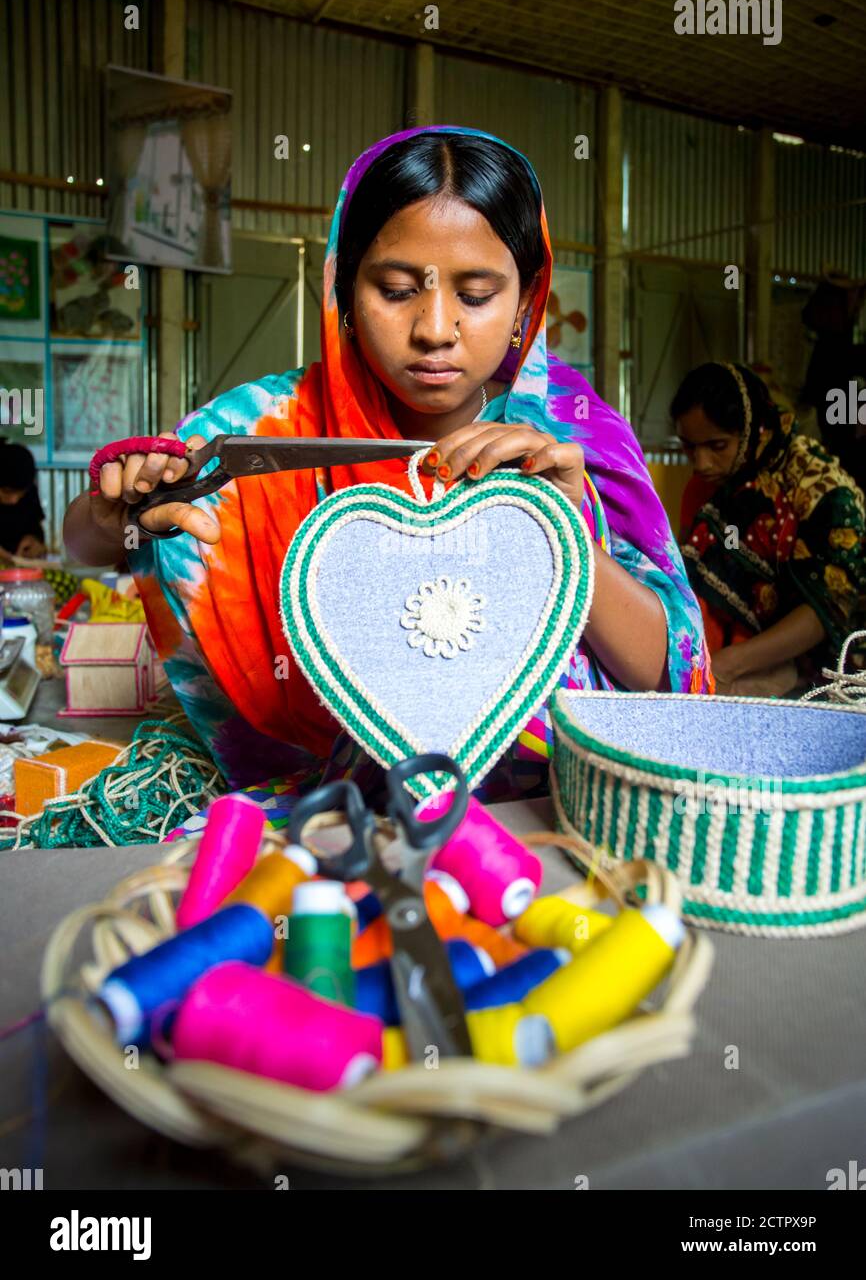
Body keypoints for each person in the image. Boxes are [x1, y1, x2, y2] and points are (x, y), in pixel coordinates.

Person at [65, 126, 711, 799]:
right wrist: (115, 515)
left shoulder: (577, 435)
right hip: (335, 809)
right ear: (343, 291)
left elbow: (671, 681)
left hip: (549, 815)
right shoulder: (263, 433)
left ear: (526, 300)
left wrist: (564, 535)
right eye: (398, 290)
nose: (435, 328)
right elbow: (82, 543)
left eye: (477, 294)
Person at [672, 360, 866, 696]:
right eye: (689, 447)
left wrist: (730, 664)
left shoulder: (823, 492)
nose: (700, 463)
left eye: (717, 446)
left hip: (822, 668)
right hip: (732, 655)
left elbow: (826, 612)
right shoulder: (717, 486)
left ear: (754, 430)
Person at [0, 438, 47, 560]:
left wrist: (35, 541)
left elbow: (35, 527)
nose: (14, 500)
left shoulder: (29, 492)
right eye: (7, 492)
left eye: (21, 494)